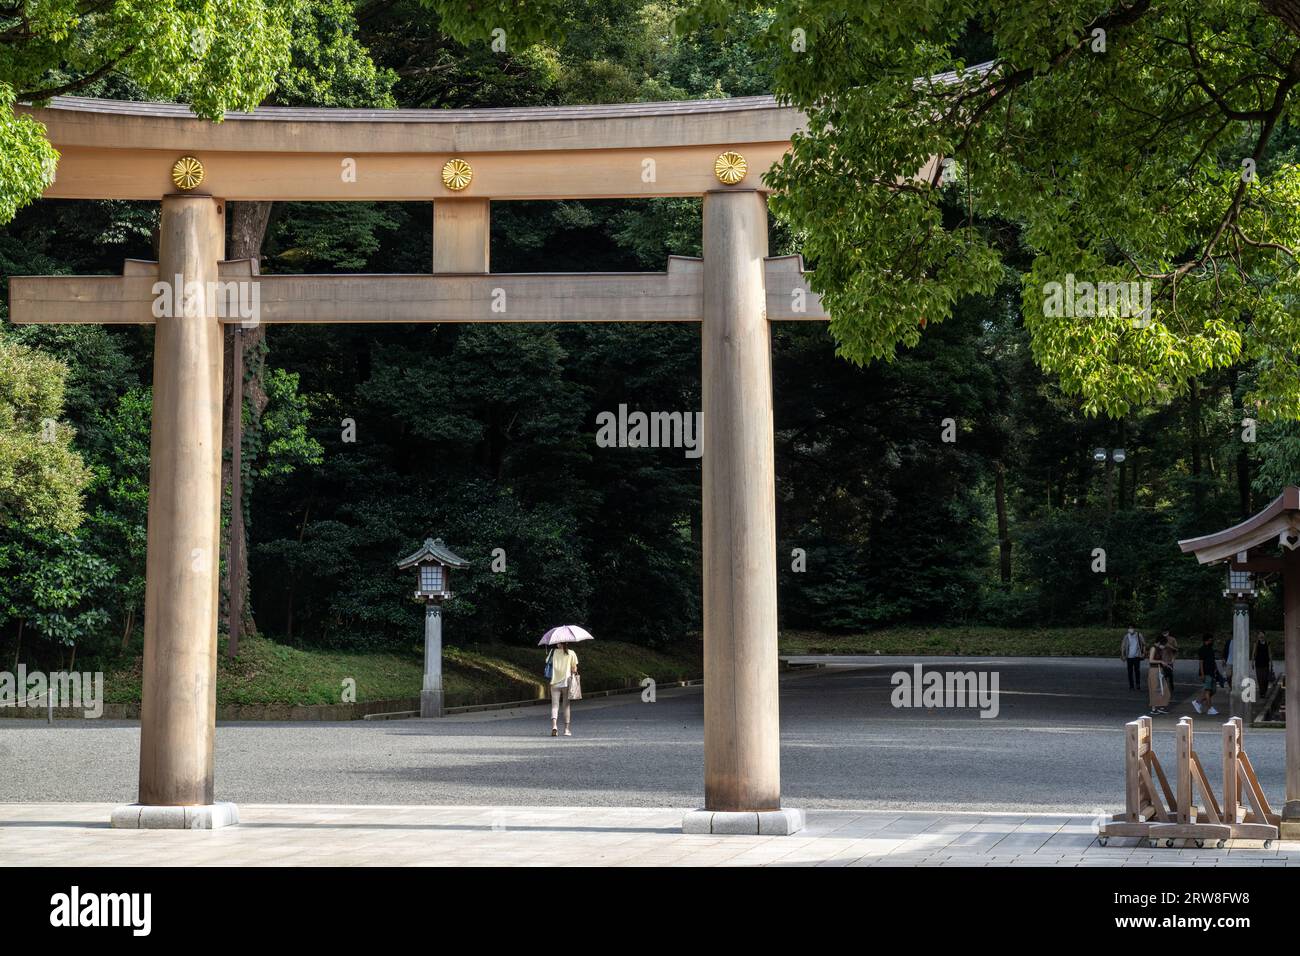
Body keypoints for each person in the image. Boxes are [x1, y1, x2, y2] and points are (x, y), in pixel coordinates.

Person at [546, 641, 579, 737]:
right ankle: (566, 730)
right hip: (566, 682)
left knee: (554, 706)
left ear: (558, 643)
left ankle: (554, 726)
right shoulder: (571, 653)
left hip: (554, 682)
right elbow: (574, 669)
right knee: (566, 706)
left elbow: (547, 662)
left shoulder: (553, 652)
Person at [1192, 633, 1218, 716]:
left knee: (1213, 690)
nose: (1212, 641)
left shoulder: (1211, 649)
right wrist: (1202, 674)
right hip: (1206, 673)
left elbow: (1213, 661)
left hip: (1212, 672)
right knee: (1208, 690)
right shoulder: (1202, 649)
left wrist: (1216, 669)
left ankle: (1198, 702)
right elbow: (1201, 662)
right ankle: (1210, 708)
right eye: (1210, 640)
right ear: (1206, 640)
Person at [1148, 634, 1172, 716]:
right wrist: (1161, 662)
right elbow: (1151, 660)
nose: (1164, 646)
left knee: (1164, 690)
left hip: (1159, 670)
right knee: (1155, 689)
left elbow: (1159, 660)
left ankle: (1161, 707)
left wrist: (1165, 664)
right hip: (1154, 670)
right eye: (1163, 644)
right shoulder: (1153, 648)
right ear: (1159, 642)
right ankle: (1154, 708)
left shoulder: (1159, 649)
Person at [1120, 625, 1145, 691]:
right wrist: (1123, 655)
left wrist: (1143, 653)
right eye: (1129, 628)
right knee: (1130, 672)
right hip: (1129, 657)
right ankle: (1131, 686)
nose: (1130, 629)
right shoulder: (1126, 636)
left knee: (1137, 671)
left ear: (1134, 629)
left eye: (1131, 628)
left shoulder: (1139, 635)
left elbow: (1144, 644)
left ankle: (1138, 685)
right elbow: (1123, 646)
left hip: (1137, 656)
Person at [1255, 633, 1273, 700]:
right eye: (1259, 635)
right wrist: (1252, 662)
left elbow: (1269, 653)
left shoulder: (1267, 643)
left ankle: (1264, 691)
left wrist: (1271, 662)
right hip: (1258, 664)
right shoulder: (1256, 643)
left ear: (1264, 636)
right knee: (1260, 679)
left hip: (1266, 664)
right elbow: (1254, 652)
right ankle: (1261, 693)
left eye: (1262, 635)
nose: (1261, 636)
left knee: (1265, 679)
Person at [1162, 629, 1179, 698]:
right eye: (1163, 633)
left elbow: (1176, 649)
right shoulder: (1160, 640)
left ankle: (1171, 687)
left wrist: (1169, 646)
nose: (1164, 634)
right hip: (1162, 660)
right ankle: (1164, 688)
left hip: (1170, 660)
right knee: (1164, 674)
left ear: (1168, 633)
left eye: (1166, 633)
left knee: (1169, 674)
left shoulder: (1172, 639)